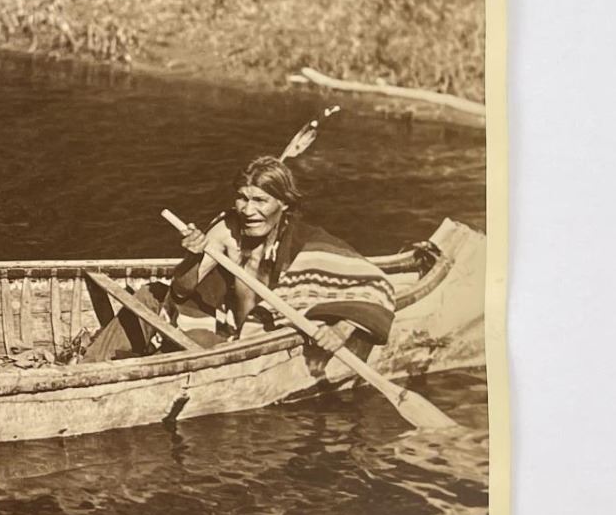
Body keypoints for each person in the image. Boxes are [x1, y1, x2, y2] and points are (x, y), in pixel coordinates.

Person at [79, 155, 394, 368]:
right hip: (224, 332)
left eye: (260, 200)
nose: (247, 210)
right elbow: (180, 291)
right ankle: (87, 369)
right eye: (242, 198)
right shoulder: (227, 230)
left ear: (283, 203)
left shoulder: (308, 244)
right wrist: (195, 254)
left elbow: (373, 285)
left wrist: (340, 329)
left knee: (193, 342)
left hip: (261, 337)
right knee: (150, 295)